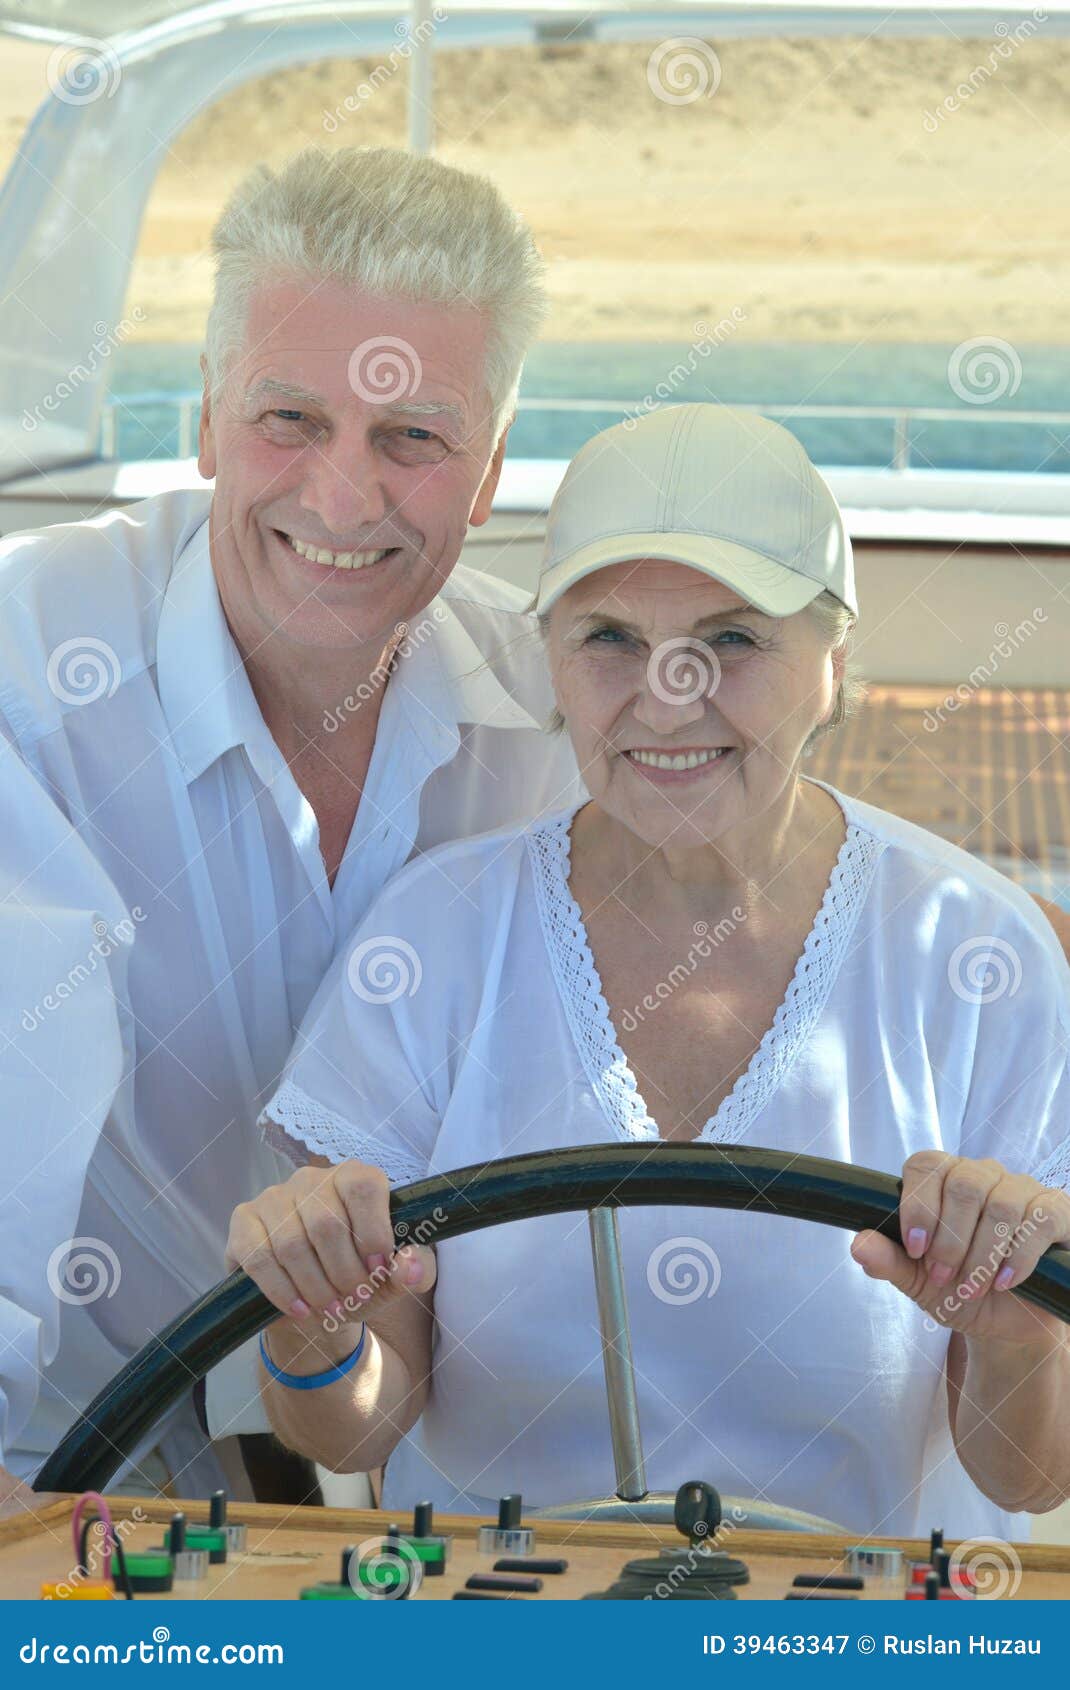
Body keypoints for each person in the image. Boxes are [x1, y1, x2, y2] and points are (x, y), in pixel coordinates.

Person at [236, 404, 1070, 1540]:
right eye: (608, 640)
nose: (666, 692)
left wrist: (1017, 1334)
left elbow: (1027, 1478)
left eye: (731, 641)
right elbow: (354, 1430)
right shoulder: (429, 938)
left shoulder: (976, 953)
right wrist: (315, 1335)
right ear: (553, 667)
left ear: (831, 664)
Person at [0, 145, 581, 1508]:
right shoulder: (24, 671)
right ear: (204, 421)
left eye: (412, 438)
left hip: (392, 1467)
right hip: (56, 1457)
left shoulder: (553, 728)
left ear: (490, 471)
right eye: (288, 420)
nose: (340, 496)